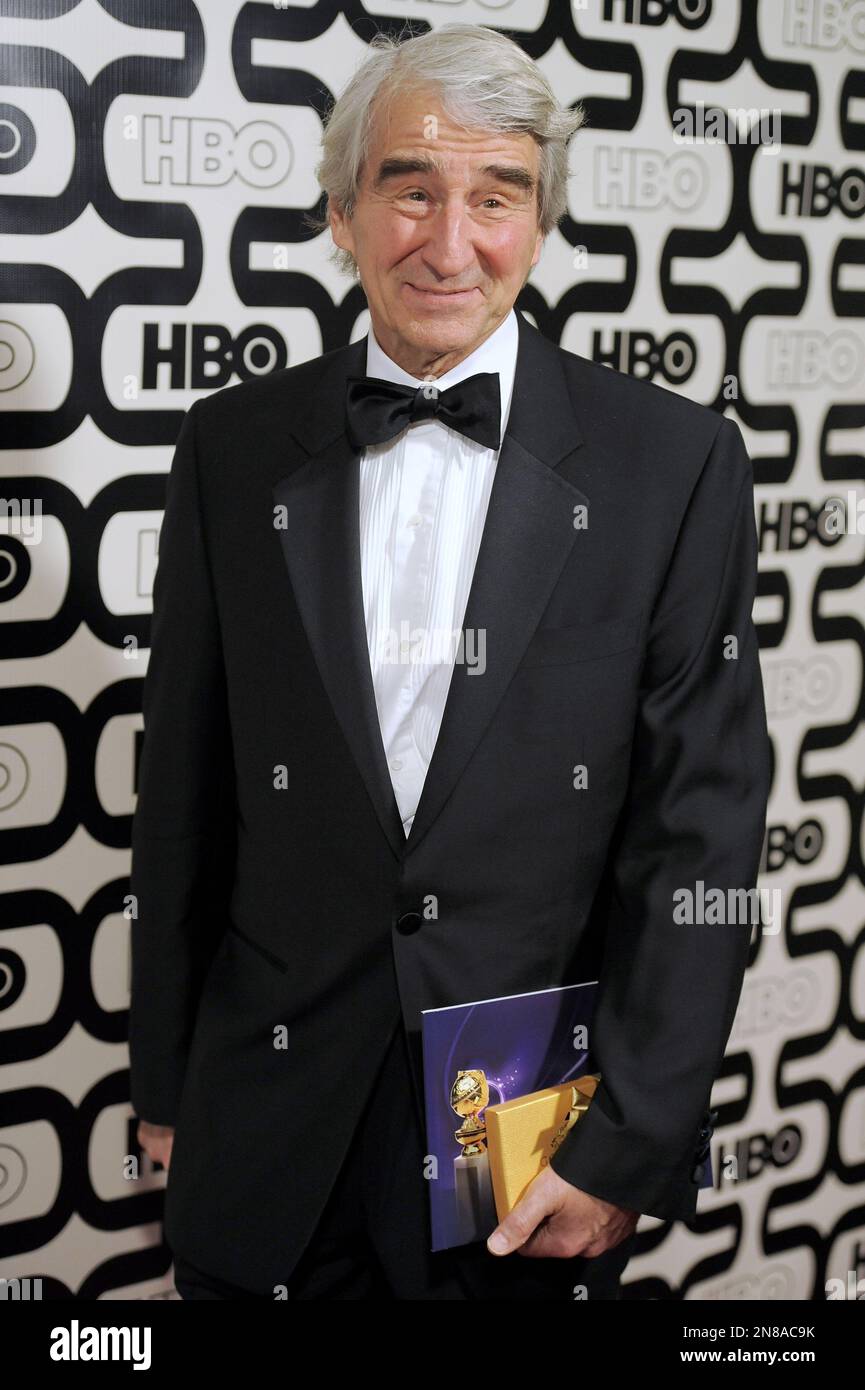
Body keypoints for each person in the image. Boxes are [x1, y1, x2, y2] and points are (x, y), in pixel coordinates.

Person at [129, 23, 771, 1300]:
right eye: (410, 188)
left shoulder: (673, 466)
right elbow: (184, 798)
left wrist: (629, 1139)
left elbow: (697, 837)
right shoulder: (231, 447)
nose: (449, 241)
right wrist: (167, 1081)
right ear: (340, 209)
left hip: (522, 1135)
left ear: (538, 226)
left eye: (496, 197)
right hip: (266, 1110)